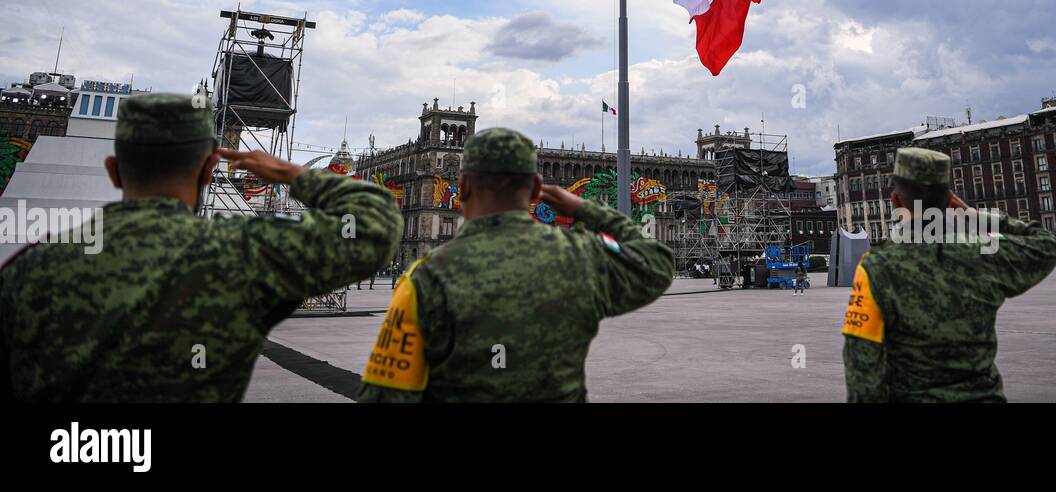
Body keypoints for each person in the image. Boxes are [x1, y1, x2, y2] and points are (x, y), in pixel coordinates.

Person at [0, 93, 401, 402]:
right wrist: (290, 173)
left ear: (113, 169)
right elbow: (374, 224)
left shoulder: (31, 268)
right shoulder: (241, 254)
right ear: (210, 170)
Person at [356, 127, 674, 402]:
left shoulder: (424, 279)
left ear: (462, 188)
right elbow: (655, 264)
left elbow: (384, 394)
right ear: (537, 189)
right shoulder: (581, 257)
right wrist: (585, 209)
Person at [841, 147, 1056, 402]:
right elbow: (1047, 244)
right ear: (949, 202)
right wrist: (976, 216)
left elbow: (861, 363)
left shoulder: (876, 267)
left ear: (896, 202)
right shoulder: (984, 253)